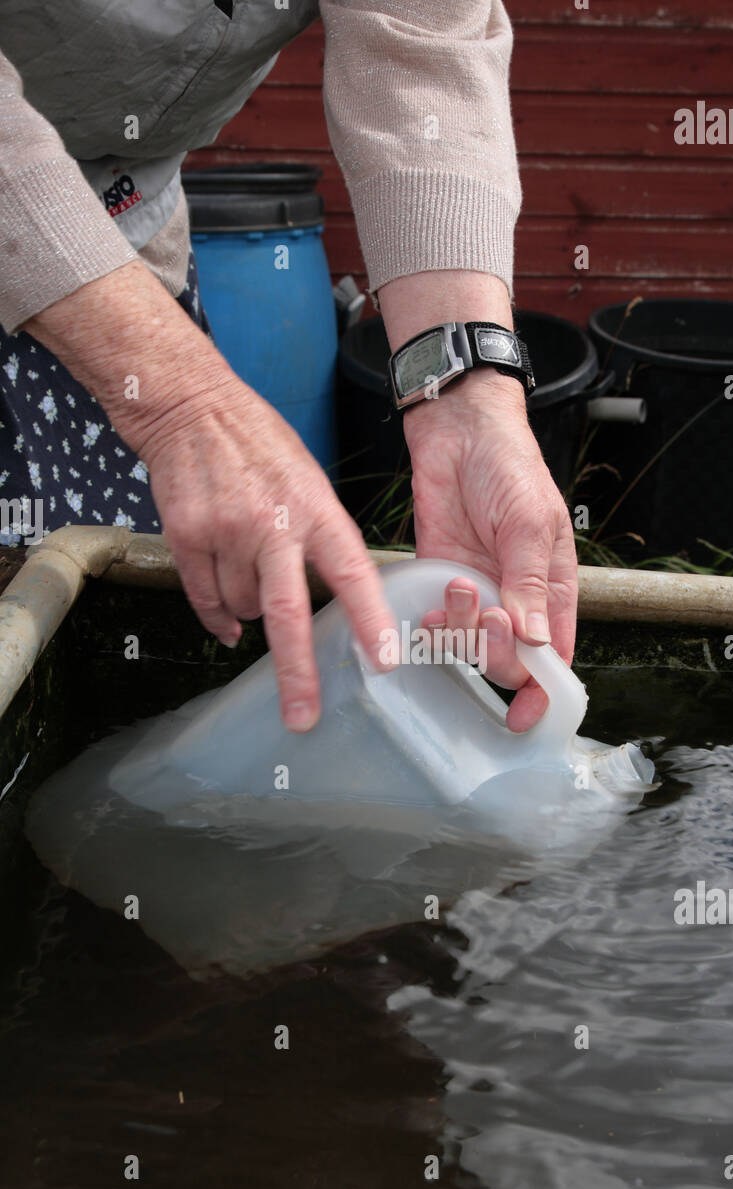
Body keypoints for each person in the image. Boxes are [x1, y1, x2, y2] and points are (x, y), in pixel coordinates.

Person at [0, 1, 577, 733]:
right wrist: (183, 404)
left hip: (119, 219)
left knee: (84, 663)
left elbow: (424, 41)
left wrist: (467, 398)